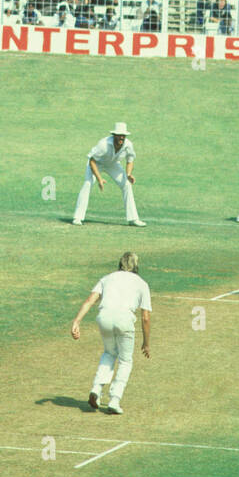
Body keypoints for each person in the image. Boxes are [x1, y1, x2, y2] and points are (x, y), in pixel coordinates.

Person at [70, 251, 152, 414]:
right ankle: (115, 399)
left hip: (104, 318)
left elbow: (89, 301)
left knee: (109, 353)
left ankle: (96, 388)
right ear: (136, 266)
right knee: (125, 360)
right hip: (124, 320)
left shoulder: (107, 278)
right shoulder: (142, 283)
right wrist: (146, 343)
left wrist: (77, 321)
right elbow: (145, 317)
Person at [72, 121, 145, 227]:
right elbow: (92, 160)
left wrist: (128, 174)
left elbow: (130, 160)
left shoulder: (128, 145)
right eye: (119, 135)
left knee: (127, 185)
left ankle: (133, 219)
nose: (121, 138)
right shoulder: (103, 144)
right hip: (96, 164)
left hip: (113, 164)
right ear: (114, 135)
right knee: (87, 184)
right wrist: (99, 179)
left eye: (123, 136)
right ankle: (77, 217)